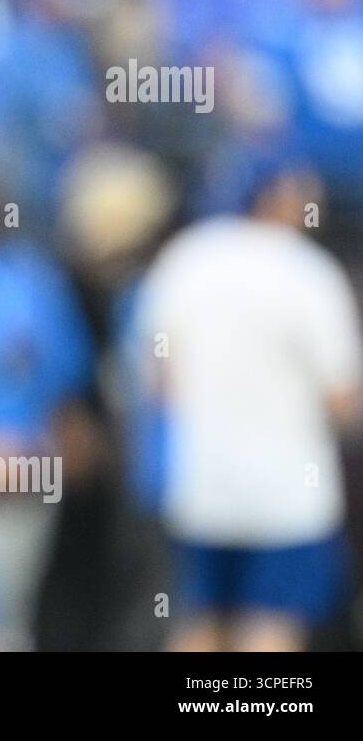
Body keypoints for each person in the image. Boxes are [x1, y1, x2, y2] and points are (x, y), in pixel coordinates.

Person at [132, 154, 363, 651]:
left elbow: (156, 380)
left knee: (198, 620)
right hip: (288, 496)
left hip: (202, 487)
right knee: (272, 625)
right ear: (280, 195)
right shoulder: (308, 272)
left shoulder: (186, 259)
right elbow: (343, 400)